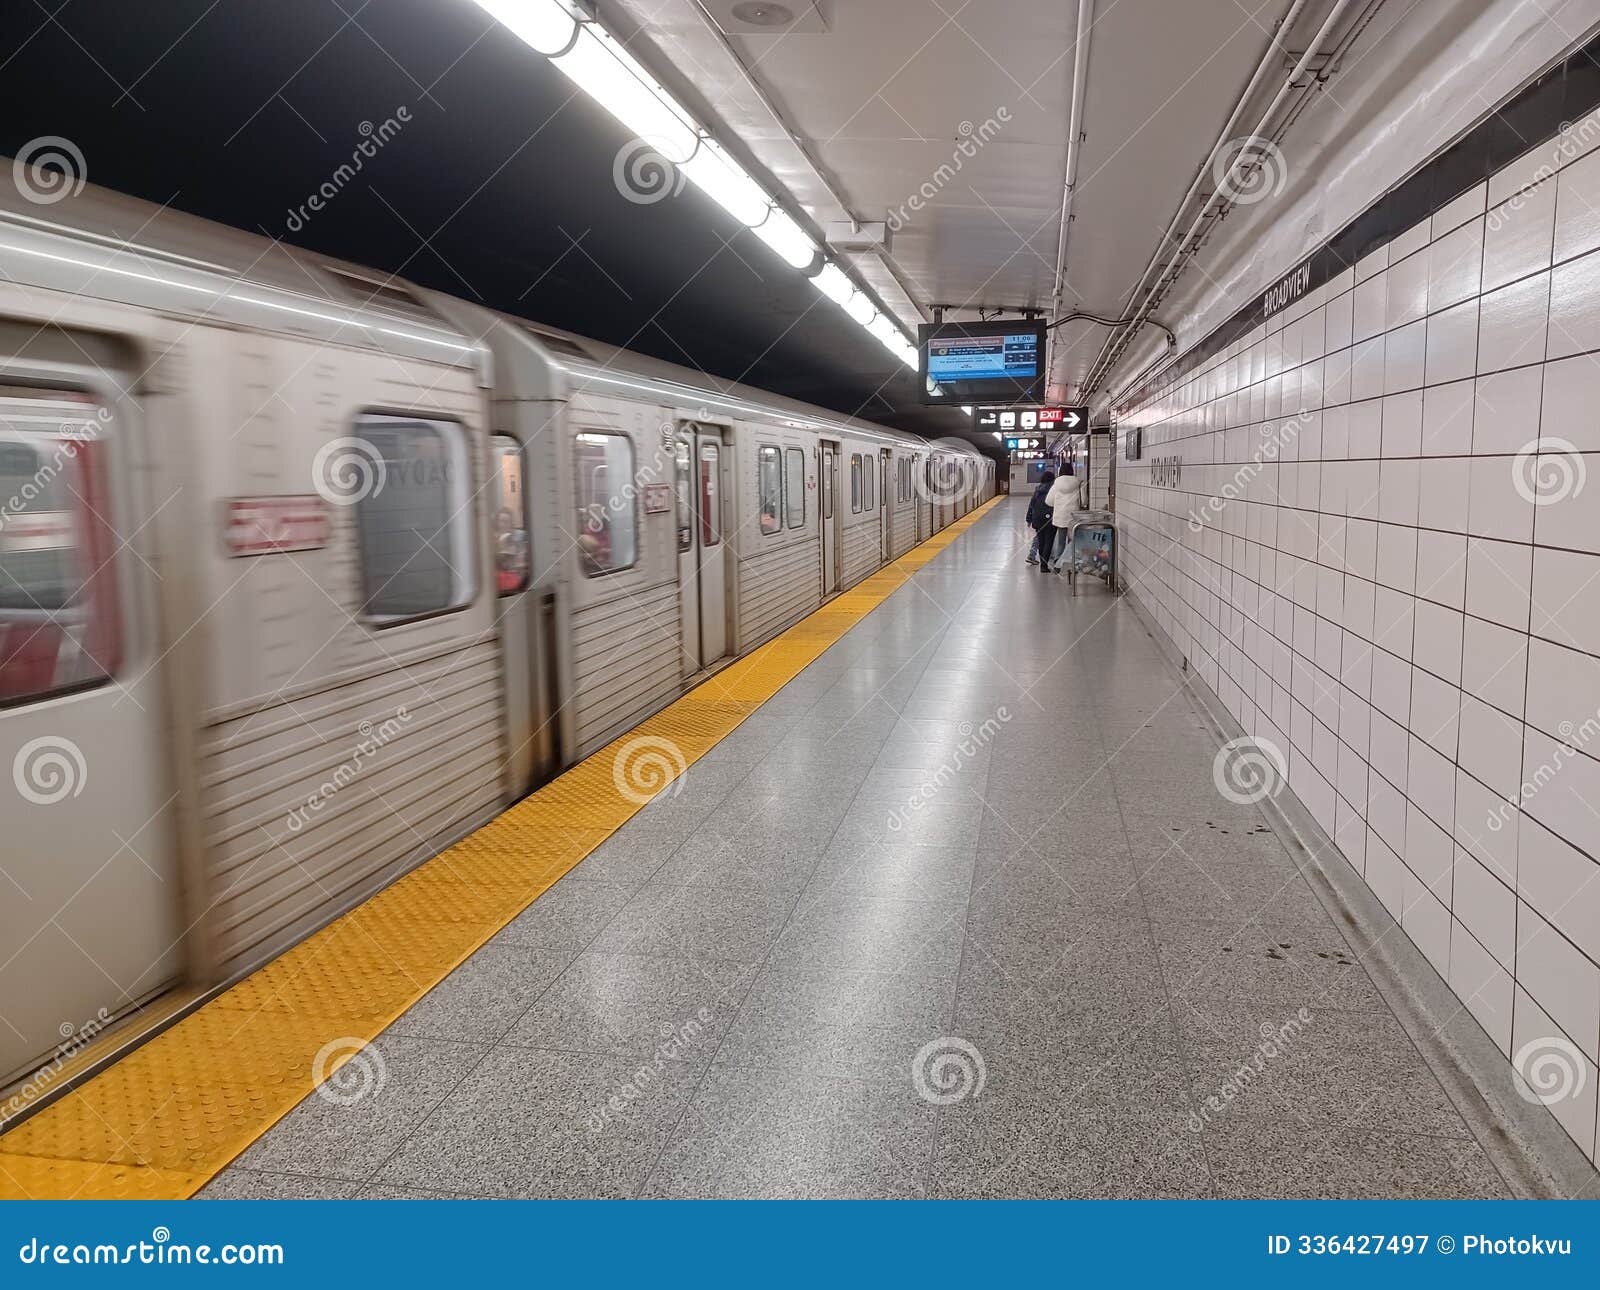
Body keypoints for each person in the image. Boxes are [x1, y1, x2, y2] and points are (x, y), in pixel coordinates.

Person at [1043, 470, 1077, 573]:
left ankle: (1058, 564)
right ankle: (1073, 564)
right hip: (1073, 517)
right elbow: (1084, 501)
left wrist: (1059, 504)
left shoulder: (1056, 485)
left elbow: (1048, 501)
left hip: (1061, 517)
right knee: (1073, 542)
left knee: (1061, 542)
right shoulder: (1078, 484)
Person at [1024, 470, 1056, 566]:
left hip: (1037, 518)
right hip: (1050, 517)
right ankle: (1045, 562)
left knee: (1040, 538)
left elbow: (1032, 504)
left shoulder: (1038, 489)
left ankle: (1034, 555)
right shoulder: (1054, 489)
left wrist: (1029, 518)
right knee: (1049, 540)